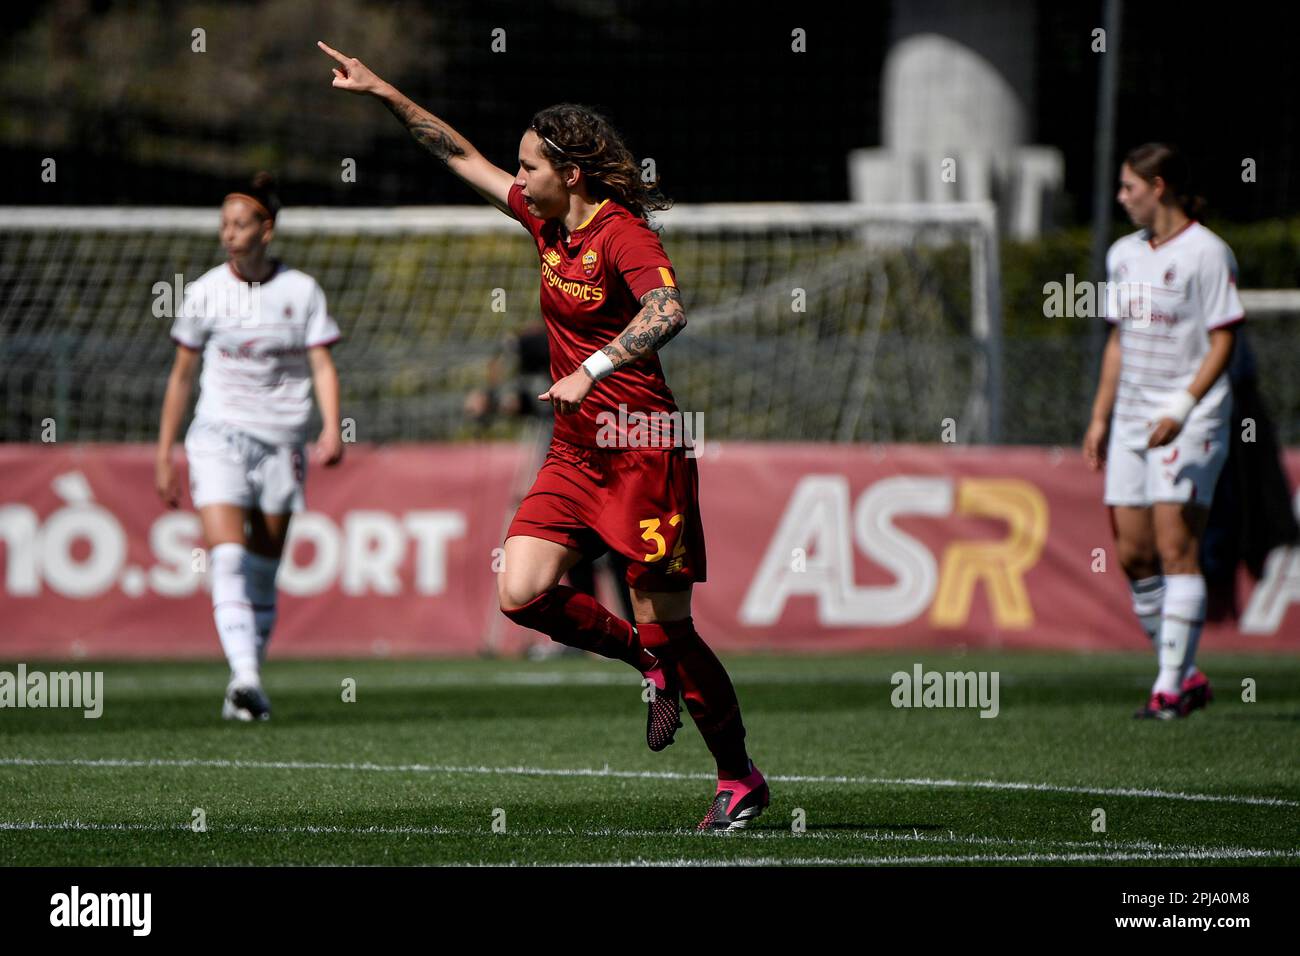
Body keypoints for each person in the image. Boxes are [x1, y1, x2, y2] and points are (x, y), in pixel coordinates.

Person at [319, 40, 766, 829]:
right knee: (521, 591)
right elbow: (456, 154)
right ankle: (646, 665)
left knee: (672, 622)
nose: (517, 178)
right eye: (519, 167)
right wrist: (383, 90)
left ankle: (738, 776)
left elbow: (669, 313)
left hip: (643, 447)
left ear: (572, 174)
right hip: (576, 450)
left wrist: (592, 369)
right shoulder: (544, 219)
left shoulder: (621, 232)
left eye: (528, 167)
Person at [156, 172, 344, 721]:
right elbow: (180, 378)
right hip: (218, 436)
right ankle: (244, 675)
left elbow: (322, 365)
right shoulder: (206, 291)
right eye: (224, 225)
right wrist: (164, 451)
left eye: (241, 224)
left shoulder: (301, 291)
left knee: (263, 570)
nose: (229, 235)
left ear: (268, 229)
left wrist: (332, 427)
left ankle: (246, 685)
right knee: (229, 556)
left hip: (283, 441)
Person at [1083, 143, 1243, 719]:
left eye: (1130, 187)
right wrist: (1101, 416)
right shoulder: (1122, 255)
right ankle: (1184, 673)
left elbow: (1224, 338)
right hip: (1129, 418)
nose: (1122, 198)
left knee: (1177, 548)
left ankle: (1169, 687)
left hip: (1188, 418)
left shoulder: (1208, 253)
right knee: (1133, 555)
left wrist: (1183, 404)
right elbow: (1119, 340)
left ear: (1161, 186)